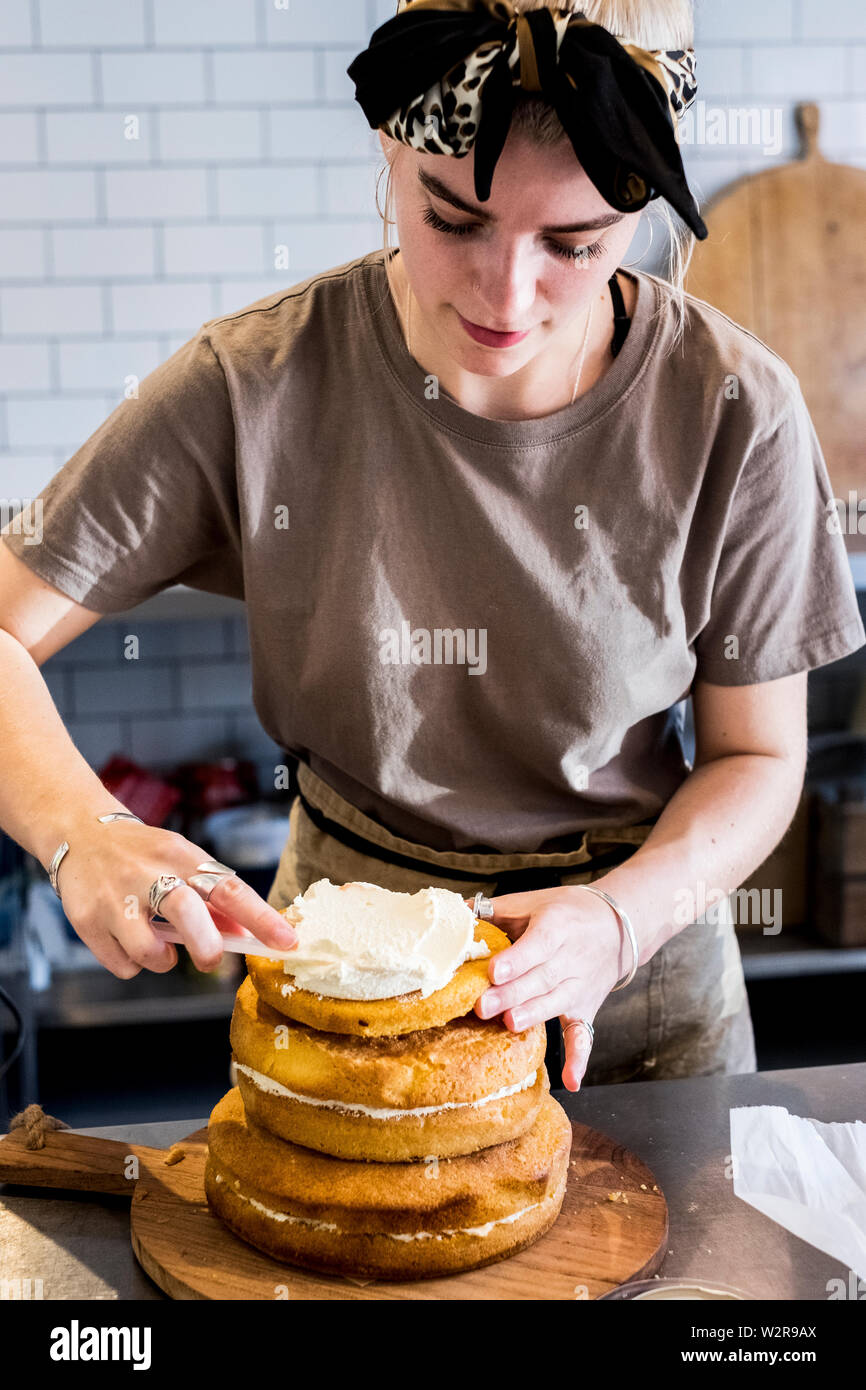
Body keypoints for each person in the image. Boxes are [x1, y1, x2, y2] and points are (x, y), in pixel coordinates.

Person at [0, 0, 862, 1095]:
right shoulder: (252, 385)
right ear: (389, 147)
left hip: (629, 973)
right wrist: (83, 830)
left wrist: (615, 920)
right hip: (338, 975)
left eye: (574, 243)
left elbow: (756, 757)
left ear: (643, 203)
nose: (506, 298)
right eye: (451, 218)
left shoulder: (735, 409)